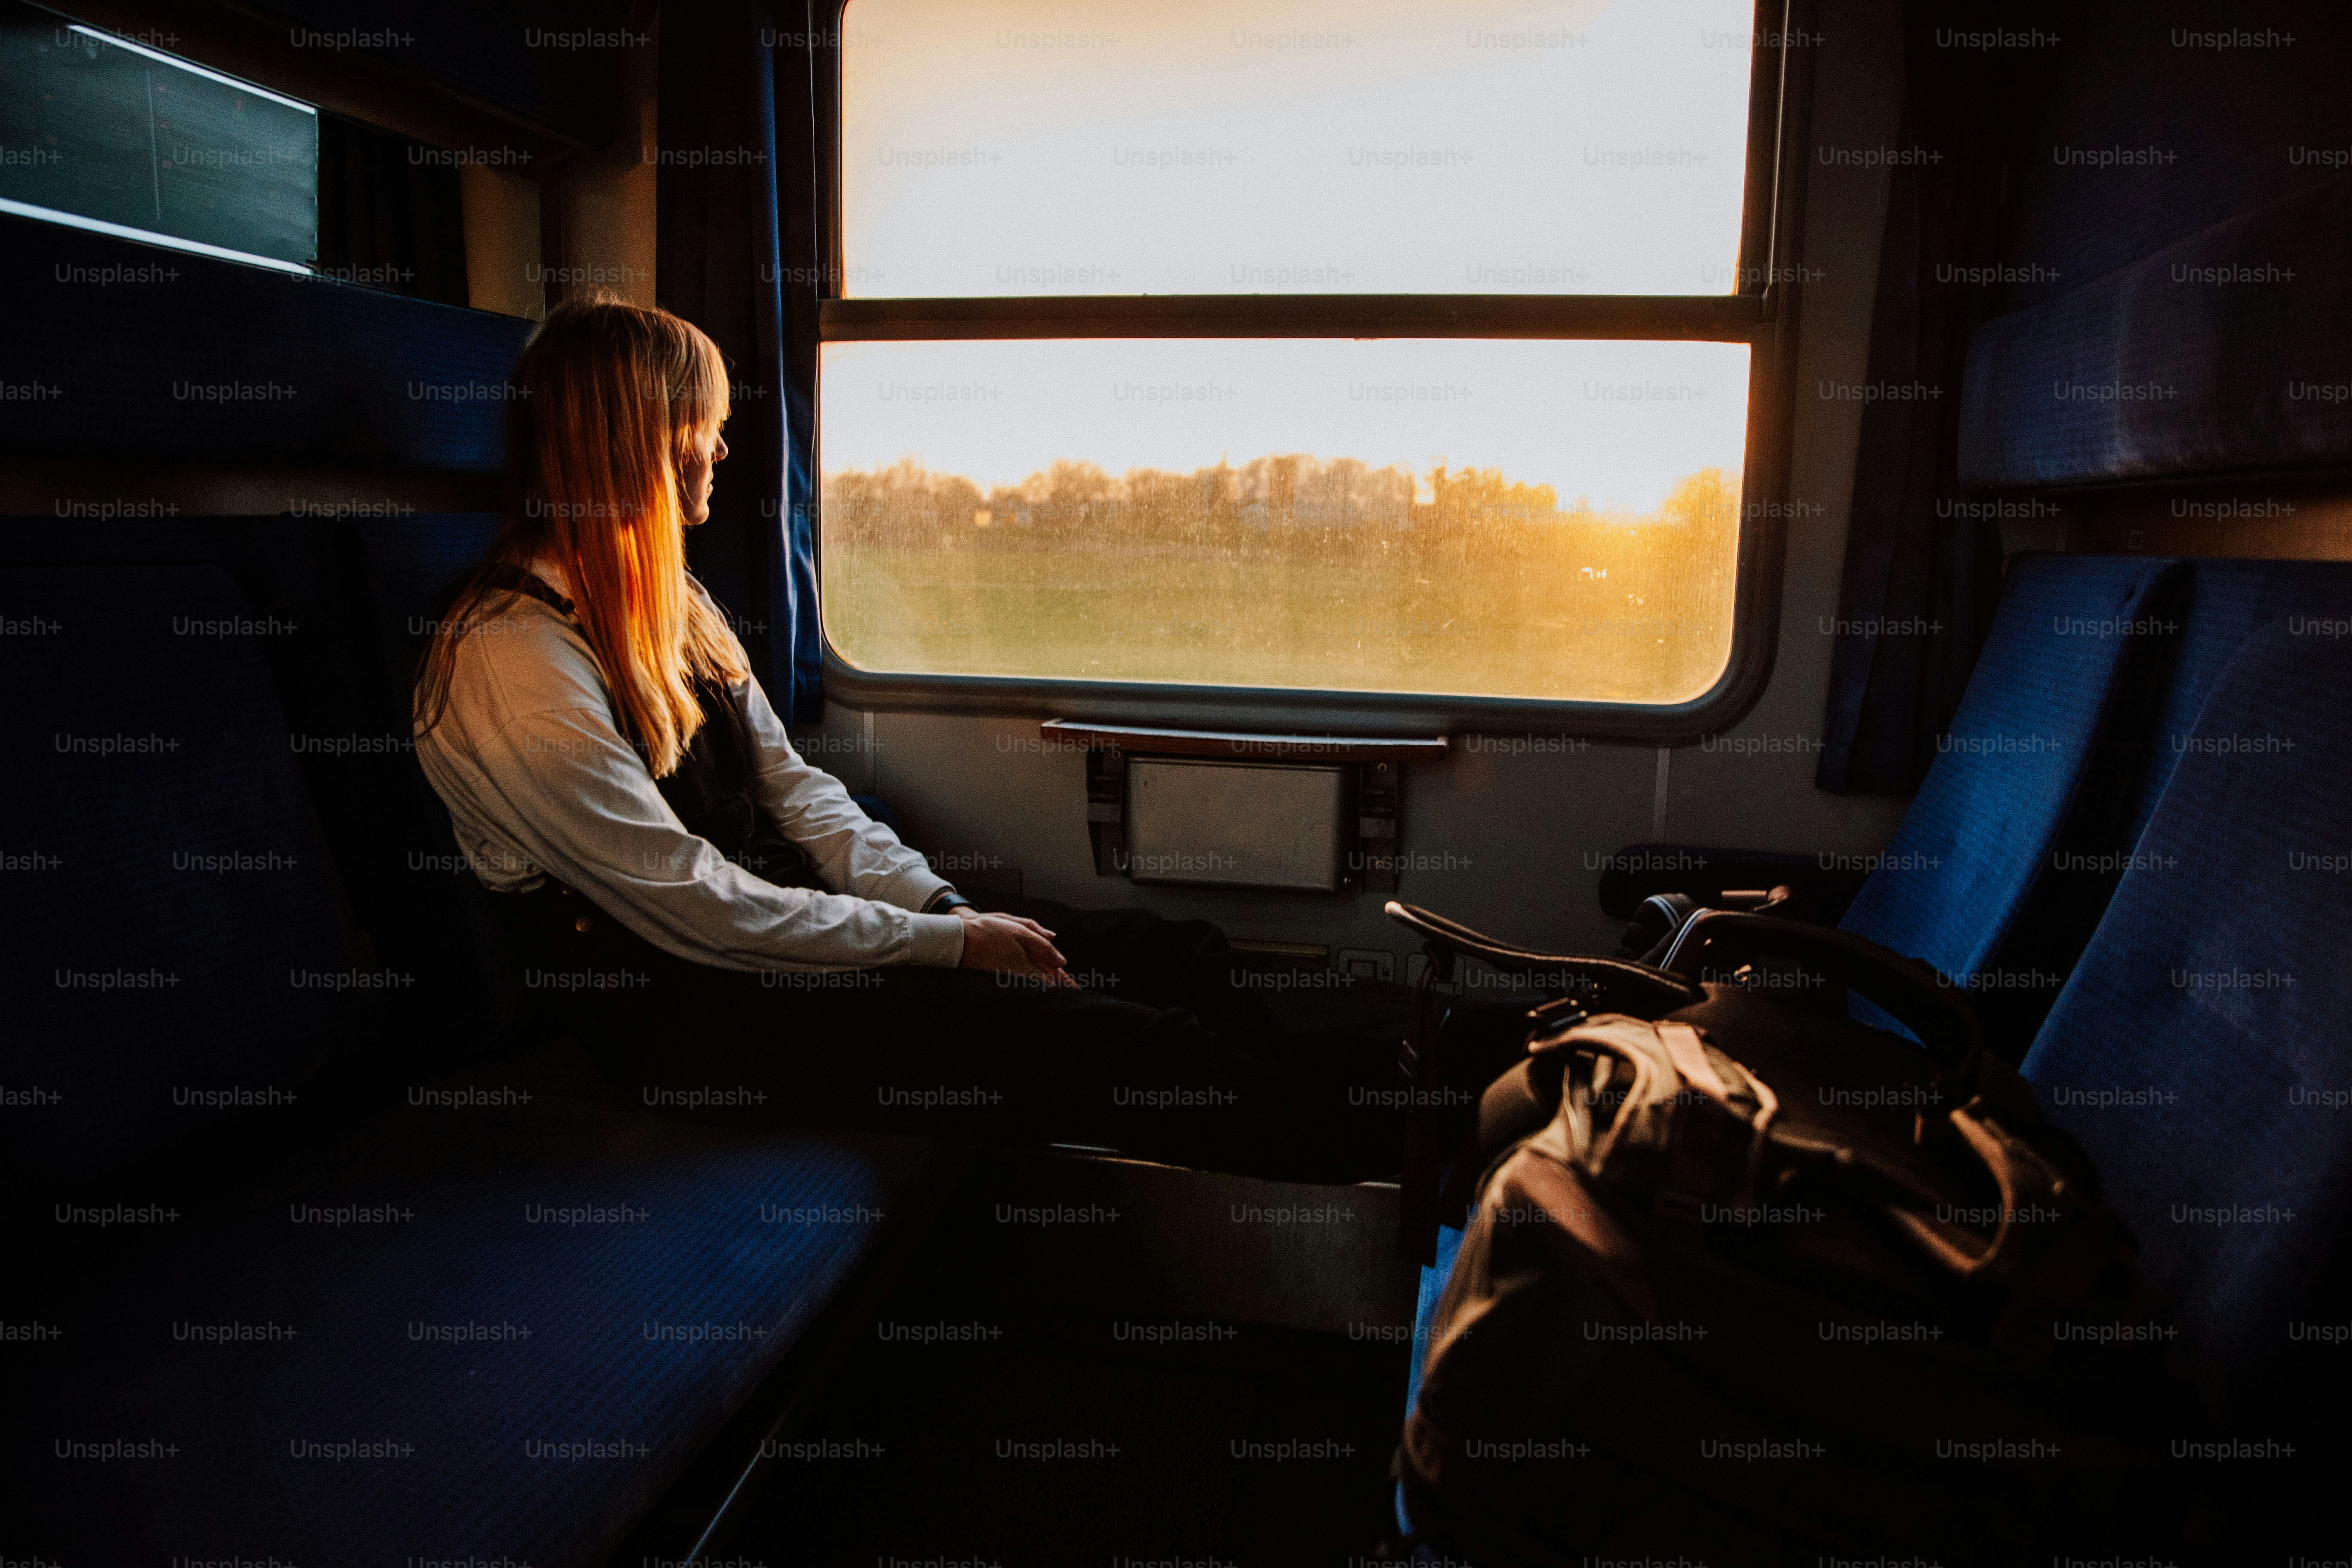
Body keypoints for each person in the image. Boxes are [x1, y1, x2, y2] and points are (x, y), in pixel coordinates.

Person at [412, 294, 1409, 1182]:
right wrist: (945, 946)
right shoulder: (510, 664)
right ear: (634, 442)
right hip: (692, 1015)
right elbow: (694, 908)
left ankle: (1440, 1047)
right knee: (1119, 1046)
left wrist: (937, 902)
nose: (721, 449)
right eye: (701, 426)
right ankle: (1434, 1146)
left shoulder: (671, 603)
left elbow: (794, 791)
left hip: (783, 937)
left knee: (1152, 952)